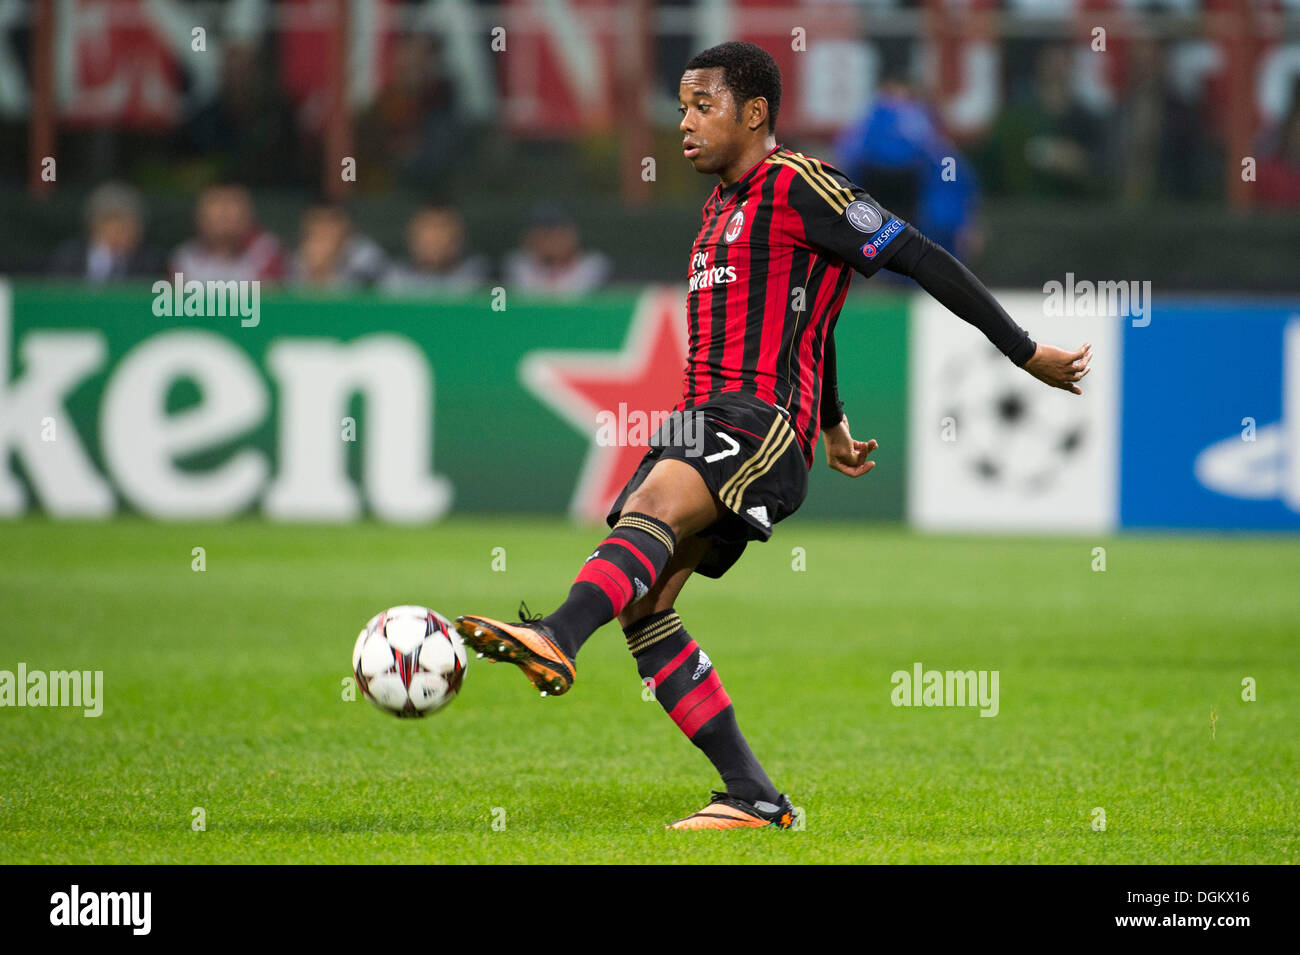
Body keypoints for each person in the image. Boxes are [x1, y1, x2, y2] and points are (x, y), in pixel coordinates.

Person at [455, 41, 1091, 831]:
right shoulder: (720, 206)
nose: (684, 122)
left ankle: (554, 634)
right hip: (709, 418)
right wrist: (835, 424)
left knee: (651, 504)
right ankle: (751, 794)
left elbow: (920, 255)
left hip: (756, 423)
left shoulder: (797, 183)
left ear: (755, 113)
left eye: (702, 106)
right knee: (646, 605)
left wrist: (1024, 351)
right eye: (681, 106)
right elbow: (811, 318)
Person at [49, 182, 165, 283]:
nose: (122, 233)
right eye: (114, 223)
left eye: (129, 225)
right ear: (95, 225)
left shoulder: (150, 263)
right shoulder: (69, 258)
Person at [170, 184, 286, 283]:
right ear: (199, 217)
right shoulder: (184, 257)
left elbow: (269, 299)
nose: (223, 214)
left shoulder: (266, 251)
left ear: (248, 216)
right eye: (217, 211)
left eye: (230, 209)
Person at [502, 203, 610, 296]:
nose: (551, 239)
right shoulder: (518, 265)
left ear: (573, 234)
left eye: (558, 232)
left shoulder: (594, 266)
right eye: (543, 233)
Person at [380, 204, 488, 295]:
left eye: (443, 228)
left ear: (460, 237)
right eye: (427, 230)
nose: (435, 238)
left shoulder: (479, 277)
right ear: (411, 236)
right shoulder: (393, 279)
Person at [291, 204, 388, 290]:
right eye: (315, 229)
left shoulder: (365, 255)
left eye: (328, 226)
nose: (321, 233)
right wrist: (315, 274)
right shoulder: (299, 257)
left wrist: (327, 269)